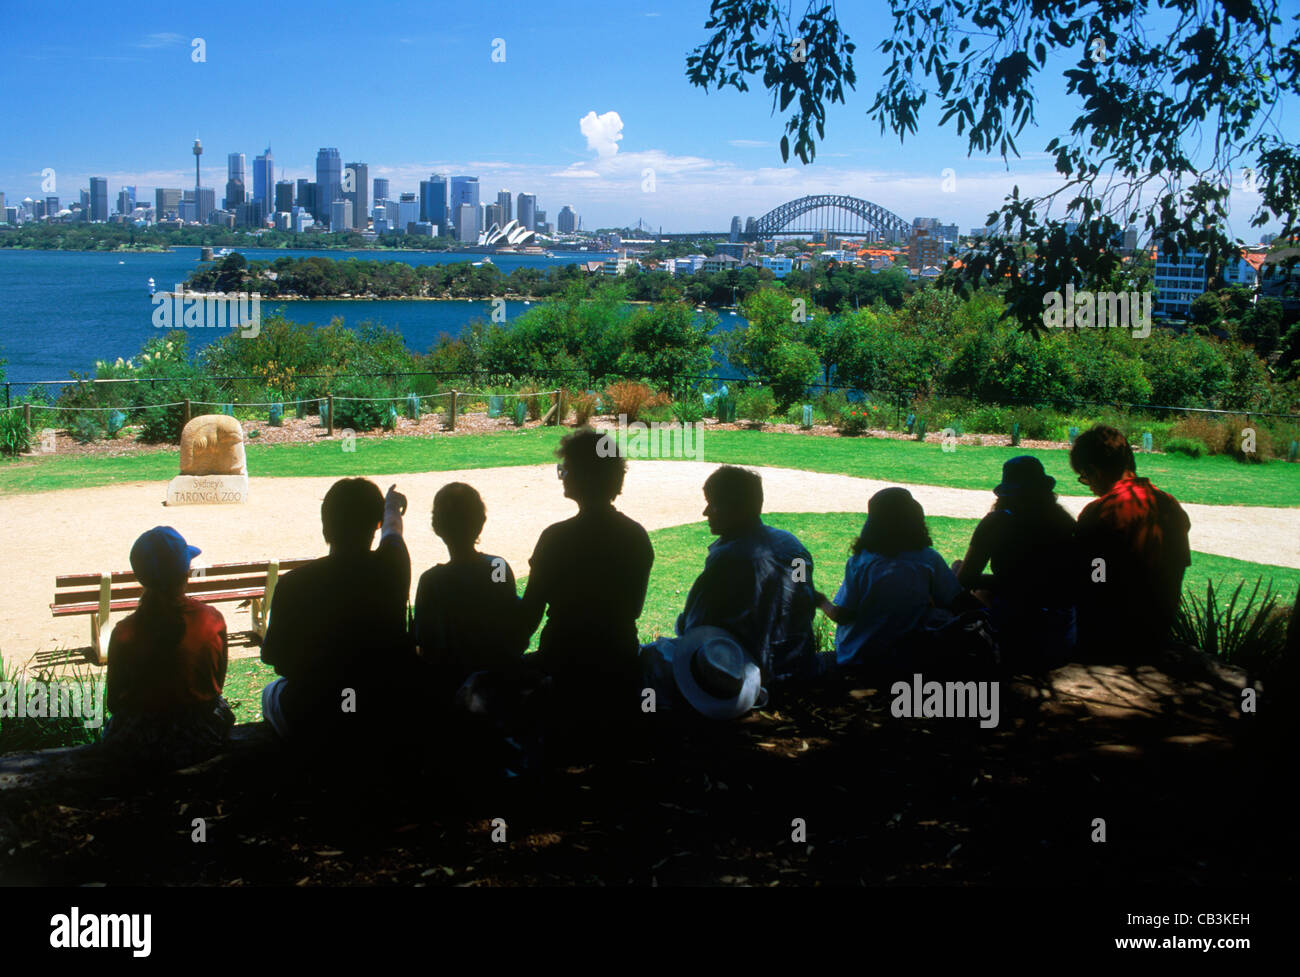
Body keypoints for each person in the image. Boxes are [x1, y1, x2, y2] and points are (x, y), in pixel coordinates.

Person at [260, 478, 418, 744]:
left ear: (326, 526)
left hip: (314, 712)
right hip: (380, 704)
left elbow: (277, 659)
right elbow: (393, 531)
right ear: (375, 523)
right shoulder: (393, 566)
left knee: (270, 693)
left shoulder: (294, 582)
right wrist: (390, 506)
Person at [518, 428, 654, 716]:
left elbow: (529, 616)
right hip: (620, 662)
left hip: (564, 664)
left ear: (581, 476)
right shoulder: (636, 536)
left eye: (565, 469)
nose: (562, 476)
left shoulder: (555, 538)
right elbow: (634, 608)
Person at [670, 465, 822, 687]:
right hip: (800, 666)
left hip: (753, 678)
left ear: (736, 509)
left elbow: (695, 627)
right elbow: (804, 601)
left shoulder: (729, 559)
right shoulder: (792, 545)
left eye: (714, 505)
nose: (705, 512)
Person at [103, 526, 234, 768]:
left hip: (141, 744)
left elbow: (114, 703)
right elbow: (216, 685)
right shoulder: (212, 620)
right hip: (202, 739)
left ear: (140, 576)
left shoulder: (124, 633)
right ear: (185, 573)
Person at [1069, 425, 1191, 659]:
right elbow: (1177, 570)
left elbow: (1093, 582)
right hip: (1157, 631)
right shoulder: (1169, 505)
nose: (1090, 488)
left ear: (1094, 471)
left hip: (1111, 637)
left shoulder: (1102, 511)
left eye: (1085, 478)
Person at [815, 487, 969, 671]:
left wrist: (821, 601)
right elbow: (955, 600)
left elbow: (844, 615)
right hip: (906, 658)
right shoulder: (928, 559)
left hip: (858, 657)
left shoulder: (861, 562)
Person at [953, 456, 1078, 665]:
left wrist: (999, 582)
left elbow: (965, 579)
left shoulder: (997, 522)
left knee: (956, 575)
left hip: (1017, 637)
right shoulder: (1064, 522)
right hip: (1061, 635)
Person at [413, 482, 526, 698]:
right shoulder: (497, 567)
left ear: (437, 527)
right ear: (480, 522)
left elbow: (426, 647)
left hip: (451, 689)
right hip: (499, 686)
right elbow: (511, 624)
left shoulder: (431, 581)